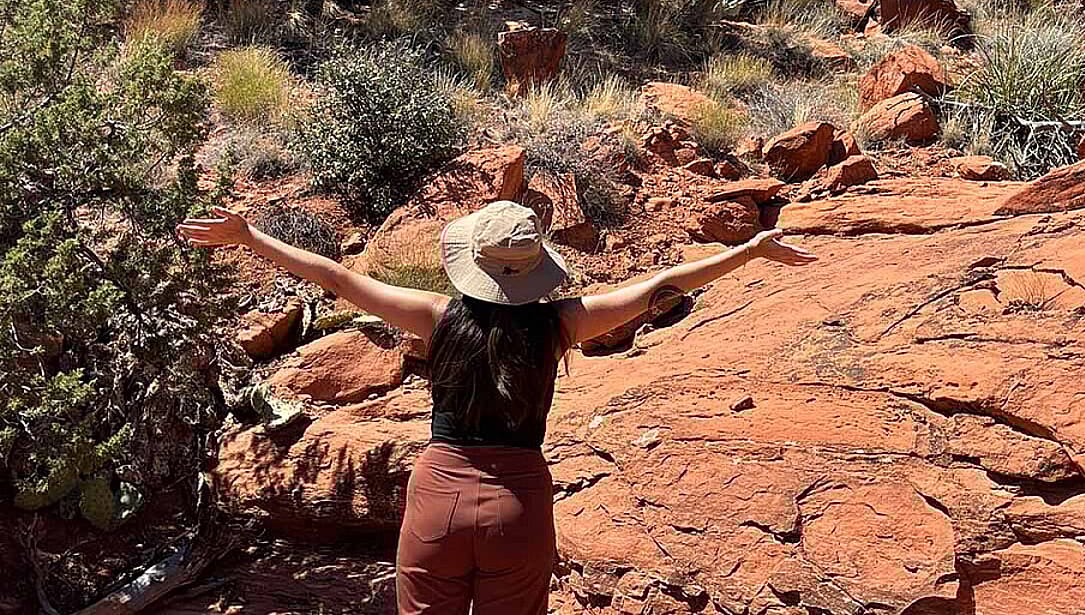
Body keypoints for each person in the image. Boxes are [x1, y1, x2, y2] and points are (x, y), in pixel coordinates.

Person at [177, 200, 816, 614]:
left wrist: (251, 237)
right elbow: (659, 288)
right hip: (520, 502)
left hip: (439, 494)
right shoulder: (561, 324)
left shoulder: (435, 316)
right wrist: (750, 251)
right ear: (536, 269)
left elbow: (339, 279)